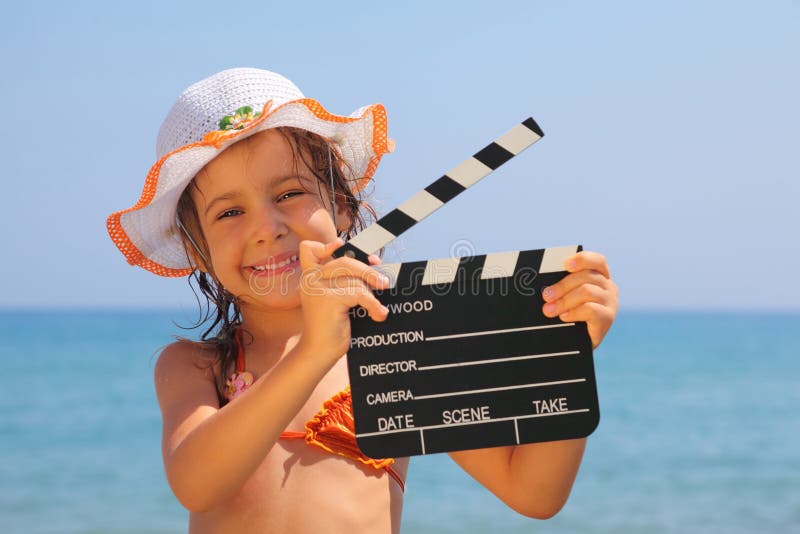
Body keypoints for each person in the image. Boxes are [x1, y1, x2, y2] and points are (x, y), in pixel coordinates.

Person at [106, 67, 618, 533]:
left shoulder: (397, 348)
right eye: (228, 213)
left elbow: (532, 493)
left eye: (288, 194)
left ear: (343, 207)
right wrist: (313, 351)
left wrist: (568, 351)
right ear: (197, 249)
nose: (266, 227)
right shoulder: (196, 367)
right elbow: (195, 483)